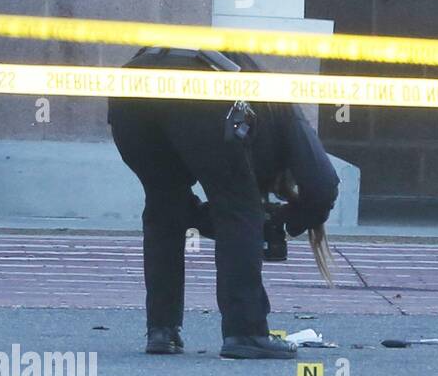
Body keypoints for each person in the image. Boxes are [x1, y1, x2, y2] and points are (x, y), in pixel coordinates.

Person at [107, 47, 339, 359]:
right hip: (202, 88)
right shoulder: (282, 108)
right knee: (238, 209)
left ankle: (162, 330)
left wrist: (258, 222)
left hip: (130, 90)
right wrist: (283, 222)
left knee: (165, 206)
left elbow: (187, 211)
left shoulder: (260, 105)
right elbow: (323, 186)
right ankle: (246, 332)